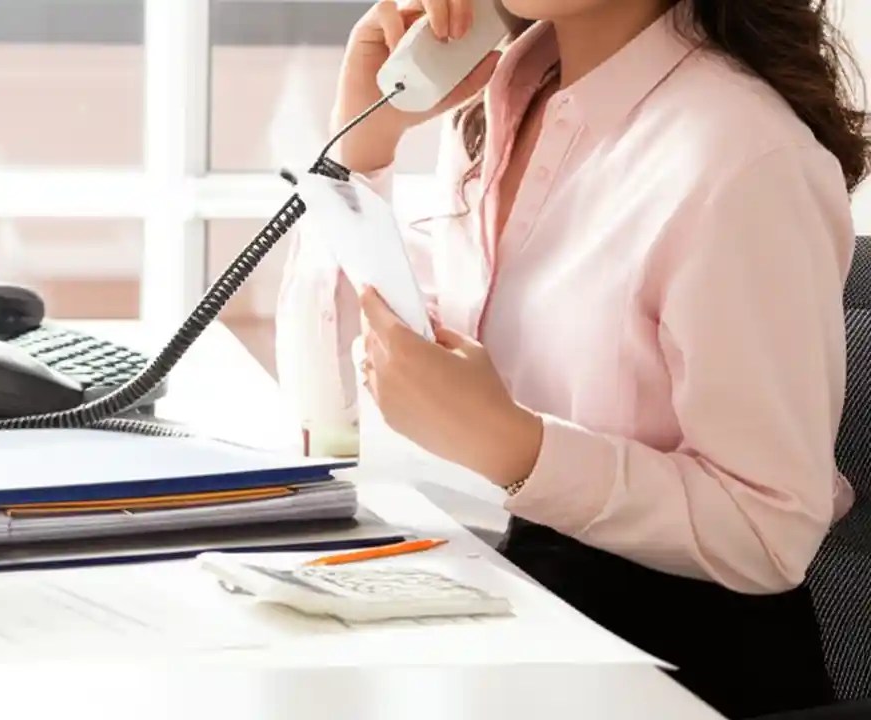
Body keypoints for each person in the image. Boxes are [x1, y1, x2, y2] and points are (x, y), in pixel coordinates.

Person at [275, 0, 869, 717]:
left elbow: (769, 531)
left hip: (675, 673)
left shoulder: (745, 158)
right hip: (504, 624)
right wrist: (361, 146)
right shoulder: (496, 103)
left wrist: (518, 448)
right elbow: (324, 383)